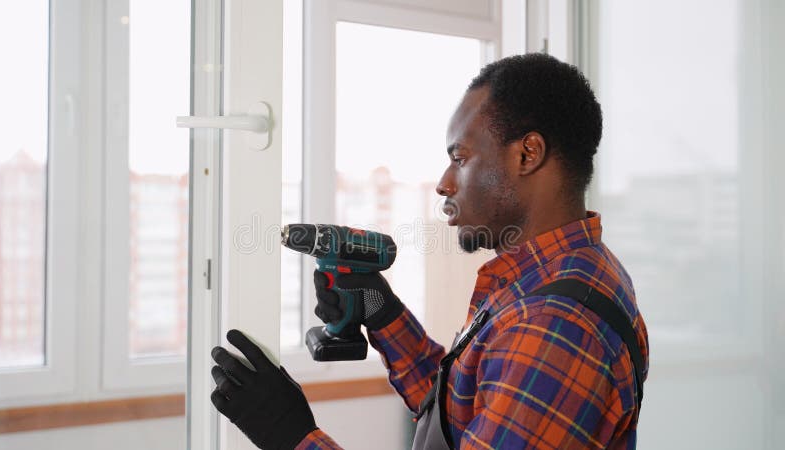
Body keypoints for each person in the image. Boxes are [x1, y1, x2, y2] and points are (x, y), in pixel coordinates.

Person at [209, 53, 649, 449]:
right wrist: (382, 313)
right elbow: (462, 416)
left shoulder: (554, 324)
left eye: (460, 158)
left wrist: (292, 436)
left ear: (527, 154)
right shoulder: (557, 275)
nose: (443, 182)